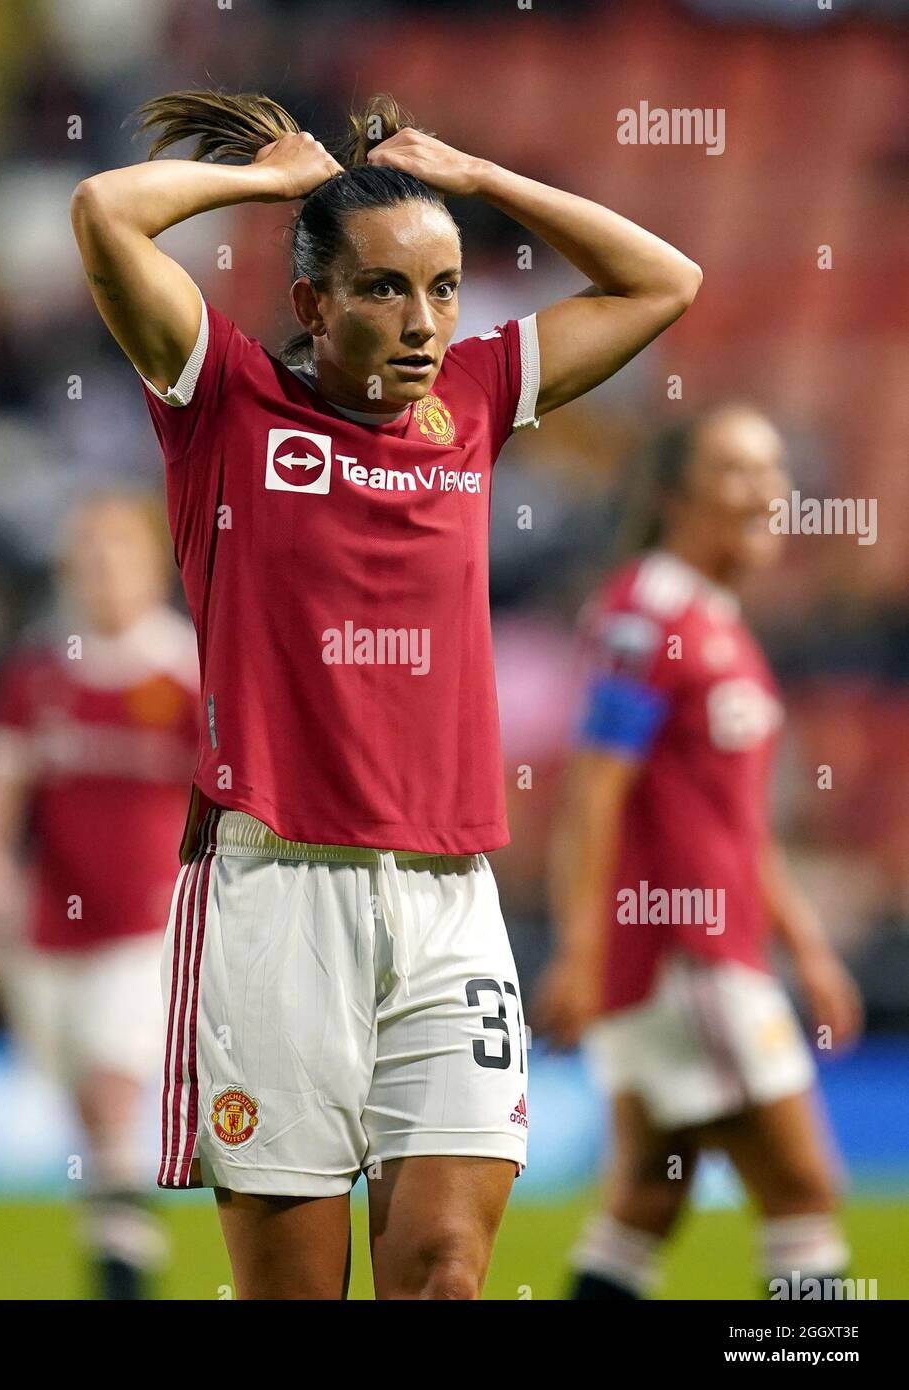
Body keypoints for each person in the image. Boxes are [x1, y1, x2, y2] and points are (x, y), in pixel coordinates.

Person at [69, 88, 701, 1300]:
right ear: (311, 301)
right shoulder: (225, 402)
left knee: (447, 1274)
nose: (422, 321)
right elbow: (105, 211)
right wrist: (271, 185)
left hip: (451, 898)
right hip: (275, 893)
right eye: (383, 288)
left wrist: (482, 170)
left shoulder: (469, 401)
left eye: (444, 287)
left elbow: (662, 280)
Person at [533, 406, 863, 1300]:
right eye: (737, 470)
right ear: (676, 496)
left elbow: (739, 824)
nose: (769, 491)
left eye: (774, 470)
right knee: (803, 1190)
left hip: (706, 950)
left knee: (647, 1195)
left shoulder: (717, 624)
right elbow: (592, 793)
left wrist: (806, 947)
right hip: (684, 957)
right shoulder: (647, 615)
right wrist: (581, 951)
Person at [0, 493, 200, 1299]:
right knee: (86, 1113)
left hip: (148, 923)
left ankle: (122, 1278)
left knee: (109, 1085)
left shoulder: (190, 672)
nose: (101, 570)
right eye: (86, 555)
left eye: (116, 552)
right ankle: (122, 1236)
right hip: (50, 931)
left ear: (152, 565)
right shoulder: (38, 676)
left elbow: (230, 797)